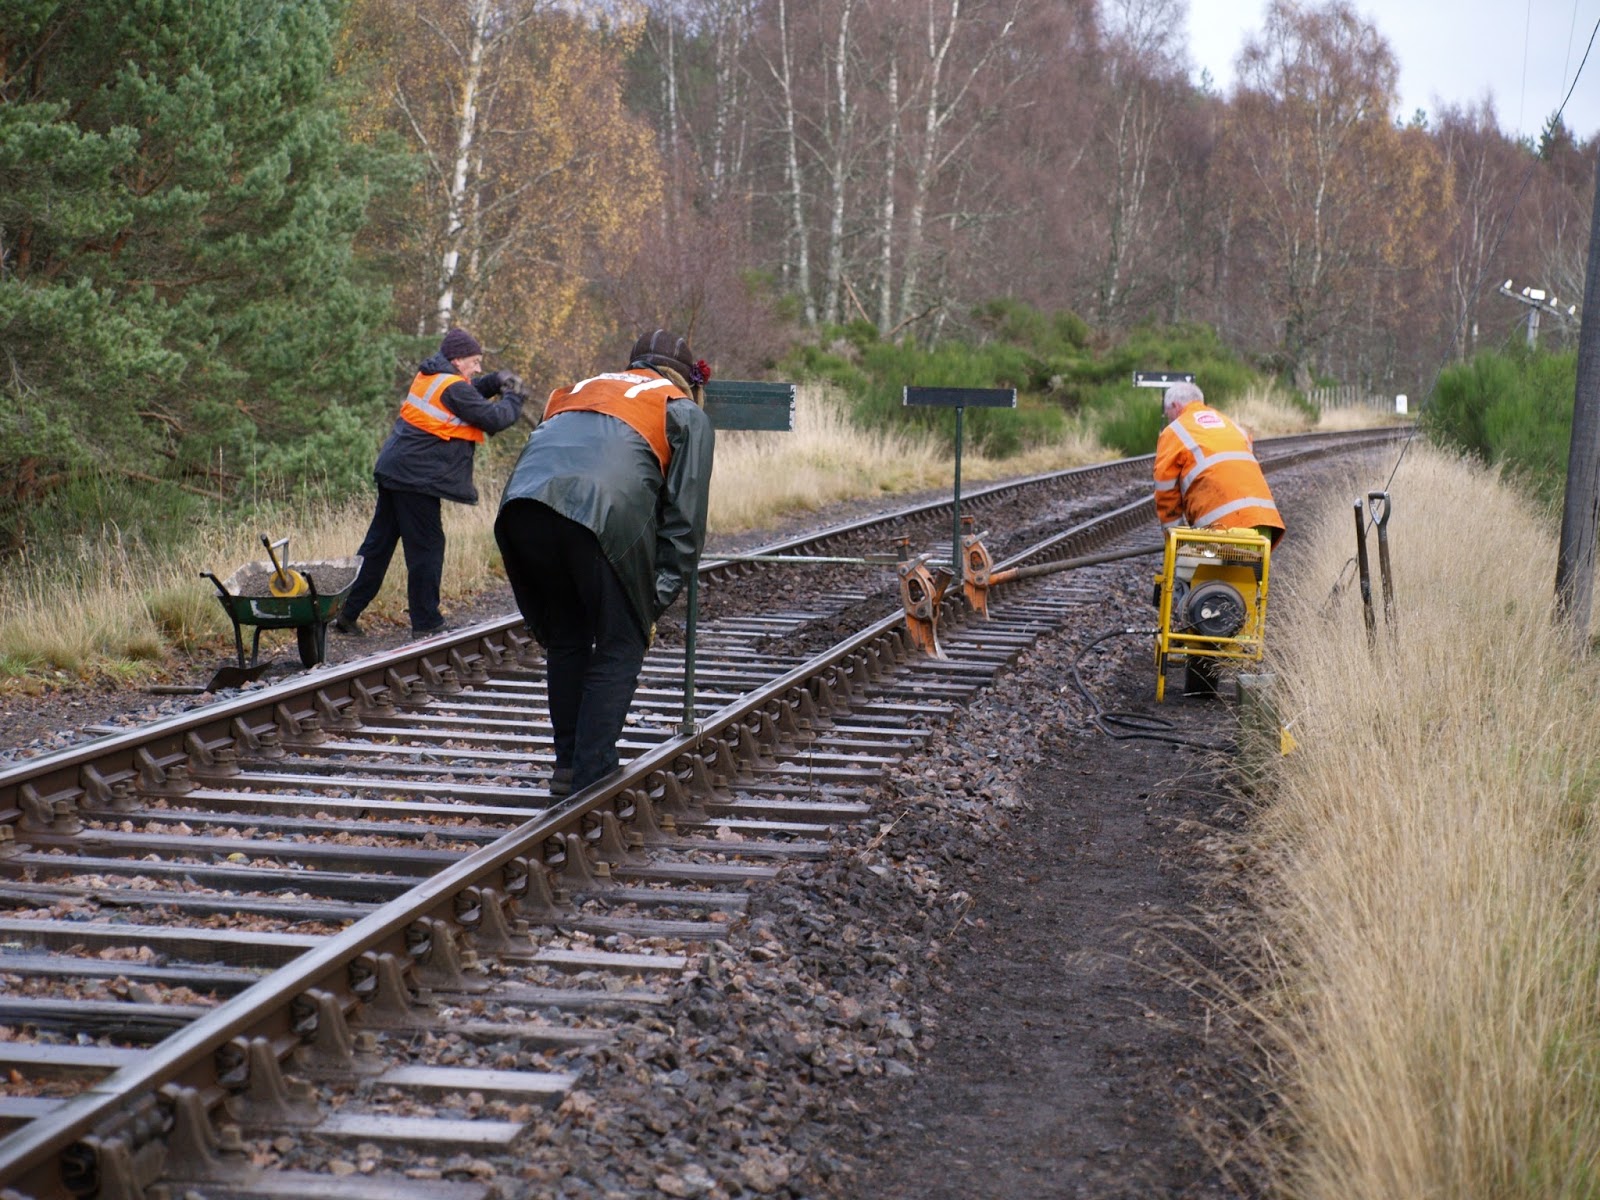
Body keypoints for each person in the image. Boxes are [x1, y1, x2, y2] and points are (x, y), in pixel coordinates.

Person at [494, 329, 715, 795]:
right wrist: (652, 601)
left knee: (569, 636)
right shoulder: (682, 409)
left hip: (521, 510)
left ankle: (570, 766)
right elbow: (686, 521)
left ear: (633, 364)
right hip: (598, 514)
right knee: (621, 641)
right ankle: (594, 776)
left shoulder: (577, 389)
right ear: (683, 375)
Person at [335, 328, 525, 637]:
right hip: (415, 478)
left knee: (378, 546)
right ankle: (427, 623)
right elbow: (493, 418)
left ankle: (346, 612)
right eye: (475, 362)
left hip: (396, 469)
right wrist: (514, 397)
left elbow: (470, 390)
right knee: (426, 547)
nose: (477, 368)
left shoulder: (433, 376)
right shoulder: (451, 386)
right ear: (458, 359)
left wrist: (493, 380)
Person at [1153, 381, 1285, 547]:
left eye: (1168, 413)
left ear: (1175, 405)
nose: (1169, 418)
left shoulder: (1175, 432)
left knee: (1190, 570)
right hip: (1263, 525)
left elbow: (1165, 490)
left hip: (1221, 530)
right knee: (1247, 572)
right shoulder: (1233, 426)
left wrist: (1175, 537)